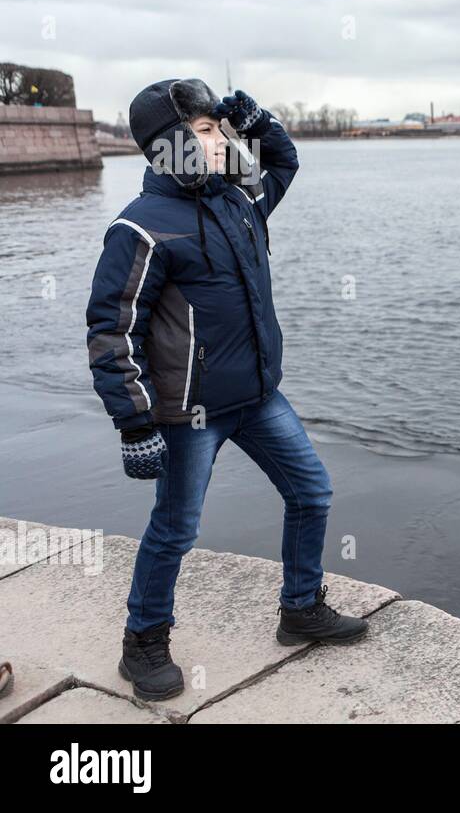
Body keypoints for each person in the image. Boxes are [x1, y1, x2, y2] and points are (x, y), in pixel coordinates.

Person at [85, 78, 367, 702]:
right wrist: (134, 426)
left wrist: (259, 122)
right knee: (175, 529)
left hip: (258, 396)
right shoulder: (140, 227)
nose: (222, 140)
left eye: (221, 129)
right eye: (207, 130)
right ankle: (143, 643)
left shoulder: (239, 203)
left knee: (312, 492)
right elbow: (111, 332)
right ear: (169, 145)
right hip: (190, 413)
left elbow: (285, 162)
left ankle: (300, 608)